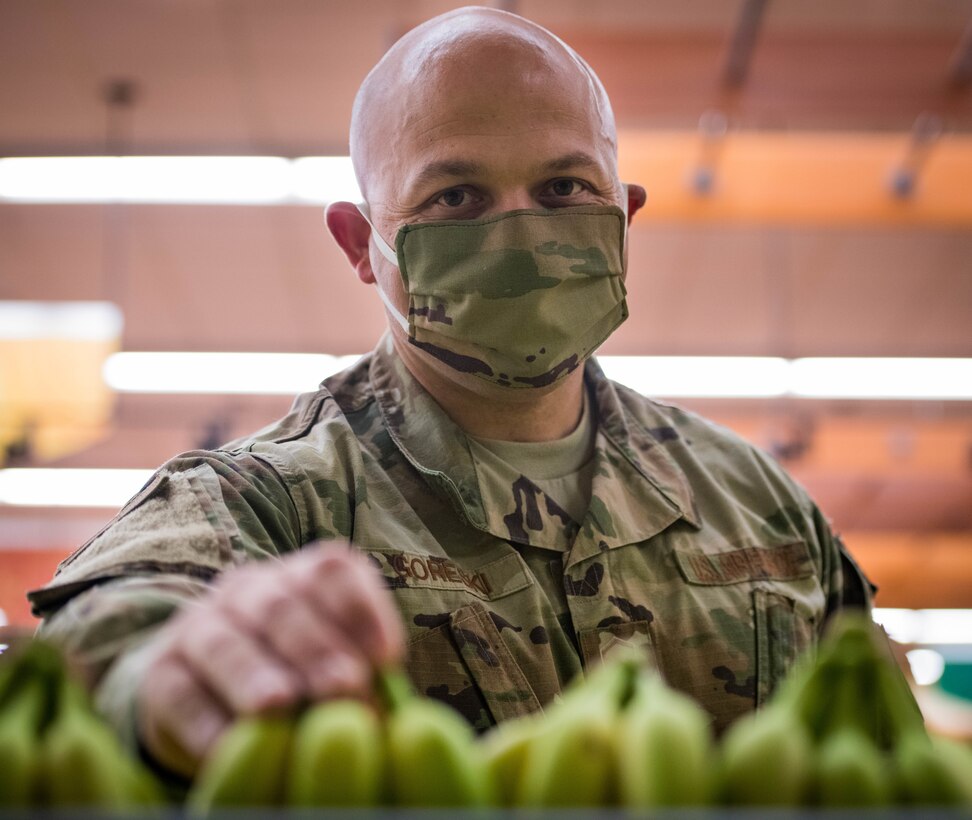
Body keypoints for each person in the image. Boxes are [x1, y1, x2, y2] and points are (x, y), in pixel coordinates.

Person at [29, 5, 872, 783]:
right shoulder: (265, 504)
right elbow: (105, 640)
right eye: (457, 196)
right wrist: (167, 676)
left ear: (625, 216)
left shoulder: (760, 506)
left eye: (563, 190)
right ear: (362, 244)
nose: (519, 232)